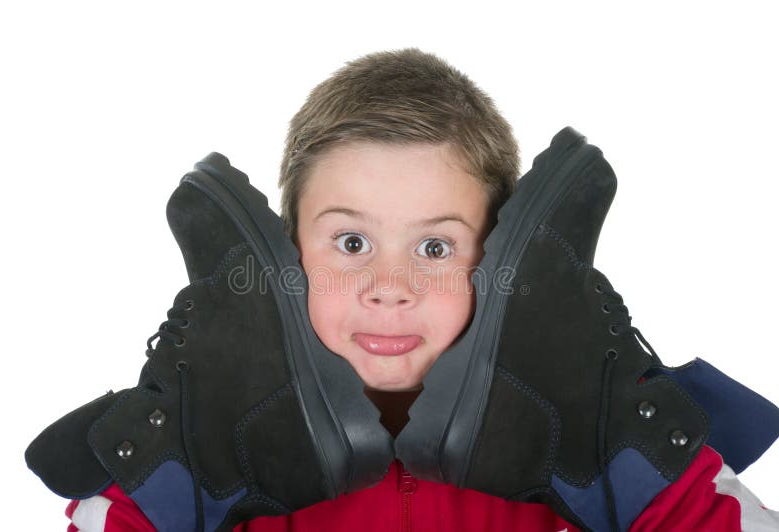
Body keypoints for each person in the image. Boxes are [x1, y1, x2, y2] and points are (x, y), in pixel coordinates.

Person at [44, 48, 778, 531]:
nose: (389, 286)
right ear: (283, 254)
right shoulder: (217, 452)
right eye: (351, 242)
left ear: (502, 262)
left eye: (435, 246)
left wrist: (634, 450)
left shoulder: (576, 445)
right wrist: (165, 481)